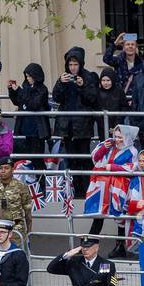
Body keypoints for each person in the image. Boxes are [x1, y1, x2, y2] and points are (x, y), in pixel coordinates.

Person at [52, 47, 100, 197]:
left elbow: (92, 98)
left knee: (85, 160)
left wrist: (82, 86)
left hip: (83, 127)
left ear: (81, 64)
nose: (73, 68)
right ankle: (77, 192)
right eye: (70, 64)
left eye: (75, 64)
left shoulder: (89, 77)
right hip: (67, 127)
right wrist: (61, 82)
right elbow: (56, 98)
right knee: (71, 161)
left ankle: (87, 192)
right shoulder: (63, 77)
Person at [8, 63, 50, 166]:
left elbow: (34, 104)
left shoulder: (42, 89)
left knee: (37, 159)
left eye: (29, 76)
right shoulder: (25, 88)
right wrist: (12, 91)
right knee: (23, 160)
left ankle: (41, 181)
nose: (28, 78)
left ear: (36, 76)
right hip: (23, 129)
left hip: (37, 131)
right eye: (26, 76)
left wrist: (19, 91)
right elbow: (18, 101)